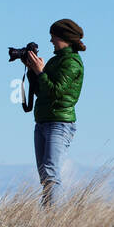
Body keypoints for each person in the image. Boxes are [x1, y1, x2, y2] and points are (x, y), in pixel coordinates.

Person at [24, 19, 86, 207]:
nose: (51, 40)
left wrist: (41, 72)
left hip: (59, 123)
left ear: (64, 37)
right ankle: (48, 217)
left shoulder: (72, 63)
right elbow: (41, 91)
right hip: (42, 122)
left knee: (51, 173)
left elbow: (56, 92)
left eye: (53, 36)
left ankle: (51, 220)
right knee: (45, 175)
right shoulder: (55, 61)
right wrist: (33, 71)